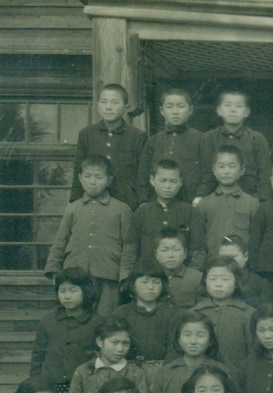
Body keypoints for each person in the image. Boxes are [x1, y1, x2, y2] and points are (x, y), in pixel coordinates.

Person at [46, 155, 134, 315]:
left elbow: (128, 246)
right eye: (88, 176)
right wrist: (54, 270)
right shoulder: (72, 208)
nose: (93, 182)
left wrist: (125, 275)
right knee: (79, 315)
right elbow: (61, 240)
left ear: (109, 180)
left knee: (106, 317)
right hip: (76, 274)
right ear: (80, 178)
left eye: (98, 177)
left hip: (108, 275)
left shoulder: (122, 209)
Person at [64, 316, 149, 393]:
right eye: (114, 342)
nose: (120, 349)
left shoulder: (135, 373)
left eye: (125, 343)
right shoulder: (84, 371)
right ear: (99, 342)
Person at [149, 312, 235, 393]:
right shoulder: (167, 371)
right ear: (178, 339)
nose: (193, 341)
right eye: (187, 335)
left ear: (210, 340)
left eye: (200, 335)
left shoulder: (221, 371)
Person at [31, 268, 99, 393]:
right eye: (62, 291)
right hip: (53, 383)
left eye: (73, 291)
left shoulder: (97, 322)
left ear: (85, 291)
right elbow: (38, 354)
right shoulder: (48, 320)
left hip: (84, 385)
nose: (67, 296)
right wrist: (36, 383)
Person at [71, 83, 146, 209]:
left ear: (126, 107)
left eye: (115, 102)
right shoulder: (87, 134)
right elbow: (79, 168)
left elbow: (142, 173)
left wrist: (142, 202)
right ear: (98, 105)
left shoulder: (137, 136)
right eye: (104, 102)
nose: (108, 107)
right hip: (93, 202)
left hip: (127, 202)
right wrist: (74, 200)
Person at [197, 88, 271, 198]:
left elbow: (264, 174)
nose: (233, 110)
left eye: (239, 106)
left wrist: (261, 200)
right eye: (228, 105)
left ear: (247, 112)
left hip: (250, 198)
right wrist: (201, 195)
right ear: (219, 110)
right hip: (217, 198)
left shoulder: (257, 139)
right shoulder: (209, 138)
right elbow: (207, 173)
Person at [138, 87, 204, 204]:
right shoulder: (153, 141)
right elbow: (143, 175)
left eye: (180, 106)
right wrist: (143, 201)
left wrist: (200, 196)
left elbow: (208, 173)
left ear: (190, 110)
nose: (175, 111)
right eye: (169, 107)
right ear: (162, 111)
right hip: (159, 205)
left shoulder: (201, 139)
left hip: (191, 204)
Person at [133, 160, 204, 269]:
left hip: (182, 279)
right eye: (162, 180)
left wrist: (191, 278)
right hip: (149, 278)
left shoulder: (190, 212)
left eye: (173, 181)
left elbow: (198, 251)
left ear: (180, 182)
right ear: (152, 180)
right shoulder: (142, 213)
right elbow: (131, 251)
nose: (167, 186)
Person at [194, 145, 262, 255]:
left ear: (242, 169)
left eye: (232, 166)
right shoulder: (204, 204)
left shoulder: (252, 203)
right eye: (221, 166)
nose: (226, 171)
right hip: (213, 263)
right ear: (214, 170)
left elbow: (256, 239)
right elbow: (198, 241)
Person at [190, 256, 255, 370]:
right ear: (205, 281)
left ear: (236, 282)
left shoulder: (248, 314)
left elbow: (253, 353)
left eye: (225, 279)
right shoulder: (196, 312)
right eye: (213, 279)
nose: (218, 284)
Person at [114, 267, 179, 374]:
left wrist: (166, 371)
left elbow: (174, 348)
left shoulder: (173, 313)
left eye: (156, 282)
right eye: (144, 282)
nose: (150, 287)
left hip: (162, 369)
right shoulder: (121, 313)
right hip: (127, 369)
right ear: (132, 285)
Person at [215, 235, 273, 309]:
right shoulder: (212, 282)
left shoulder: (261, 284)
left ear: (245, 257)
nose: (228, 261)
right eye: (223, 257)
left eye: (233, 257)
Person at [154, 228, 203, 310]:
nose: (170, 255)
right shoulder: (153, 278)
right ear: (156, 254)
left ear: (185, 253)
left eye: (176, 250)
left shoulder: (197, 278)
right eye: (164, 250)